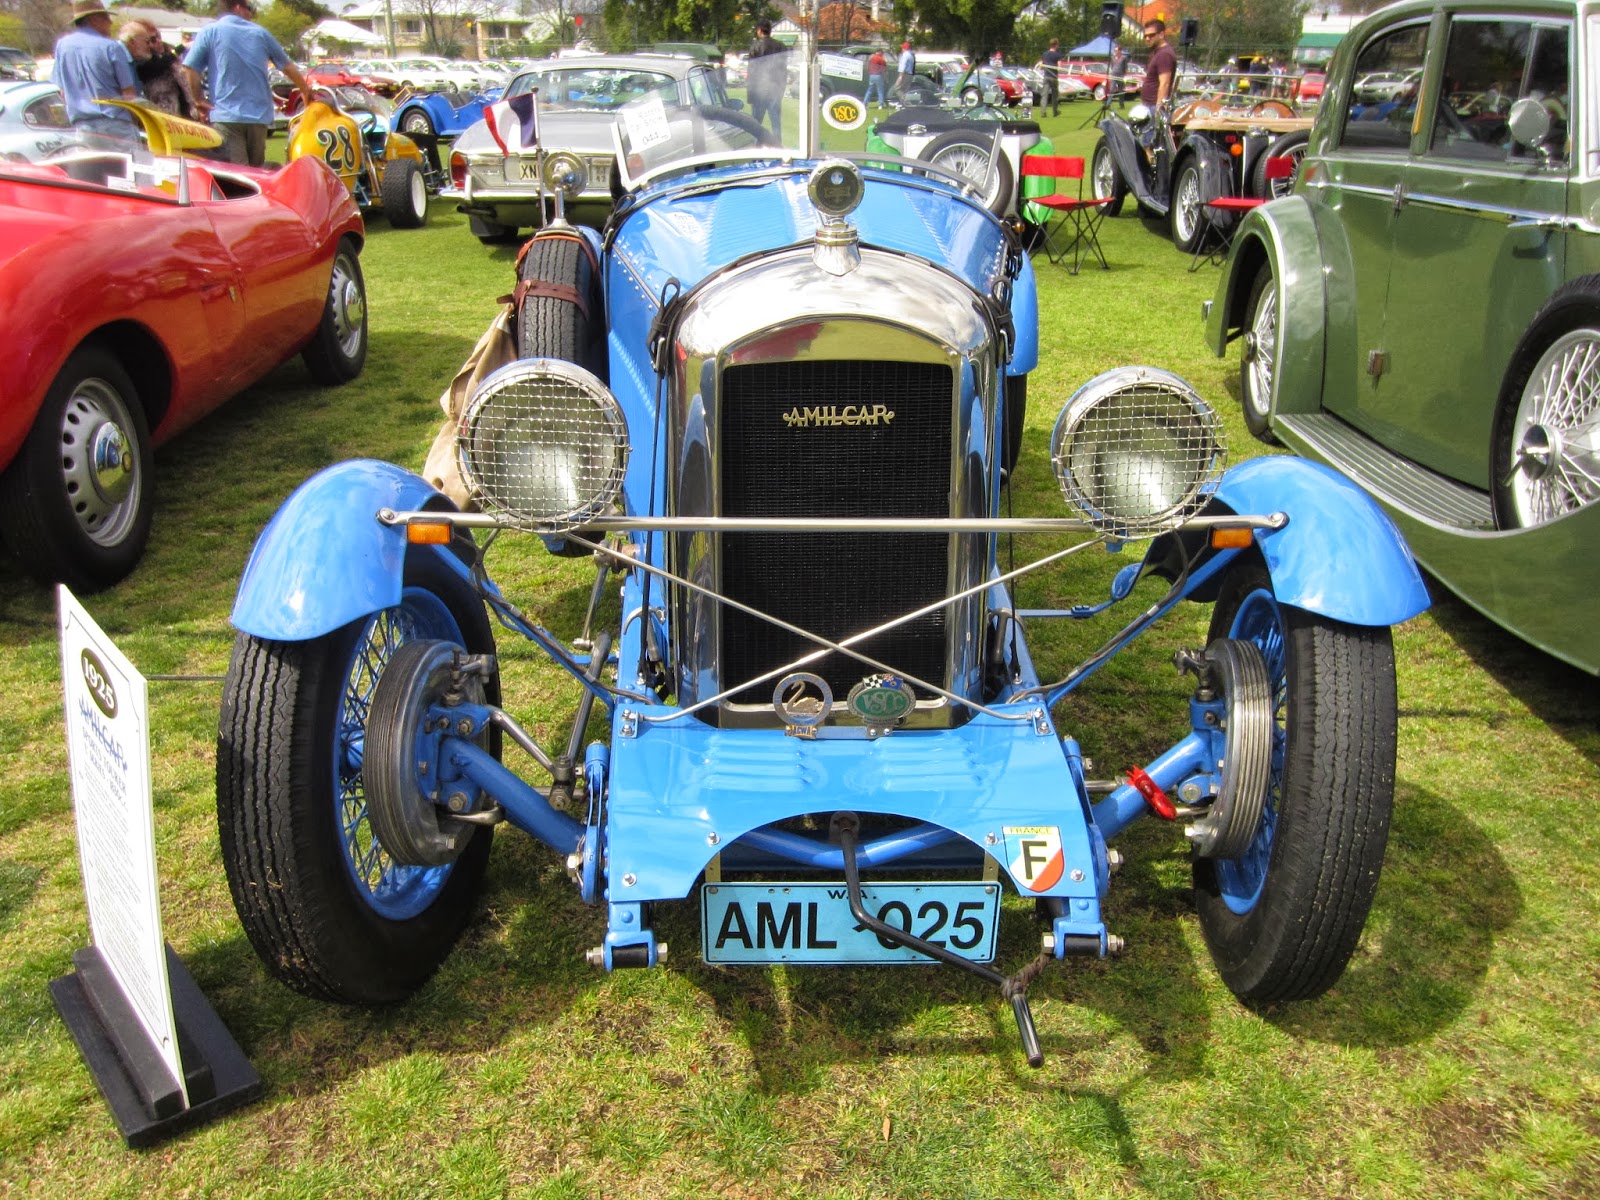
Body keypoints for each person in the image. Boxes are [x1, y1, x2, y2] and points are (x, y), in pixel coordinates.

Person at [181, 0, 312, 167]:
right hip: (258, 116)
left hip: (226, 115)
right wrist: (305, 90)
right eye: (250, 9)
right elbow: (287, 66)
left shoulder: (210, 31)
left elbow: (190, 68)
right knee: (255, 174)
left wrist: (198, 100)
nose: (251, 15)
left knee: (236, 175)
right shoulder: (261, 34)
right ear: (238, 7)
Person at [51, 0, 140, 143]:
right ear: (94, 19)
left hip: (83, 130)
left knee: (91, 166)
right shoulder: (111, 47)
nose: (110, 22)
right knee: (129, 165)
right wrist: (135, 122)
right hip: (116, 127)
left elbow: (62, 92)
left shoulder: (62, 46)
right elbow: (128, 93)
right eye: (106, 17)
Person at [121, 21, 198, 118]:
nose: (158, 41)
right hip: (157, 114)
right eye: (151, 40)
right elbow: (155, 66)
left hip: (179, 112)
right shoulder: (140, 62)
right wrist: (180, 48)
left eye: (158, 37)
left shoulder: (168, 55)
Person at [1141, 18, 1176, 108]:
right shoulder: (1158, 52)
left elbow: (1165, 83)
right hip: (1148, 104)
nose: (1148, 38)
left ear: (1161, 34)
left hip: (1154, 106)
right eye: (1145, 36)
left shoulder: (1164, 54)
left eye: (1151, 35)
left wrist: (1159, 108)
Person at [1036, 38, 1062, 117]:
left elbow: (1041, 66)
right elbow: (1059, 67)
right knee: (1055, 95)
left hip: (1046, 77)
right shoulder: (1058, 54)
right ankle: (1055, 112)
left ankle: (1043, 112)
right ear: (1056, 45)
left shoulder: (1045, 54)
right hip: (1053, 77)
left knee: (1044, 95)